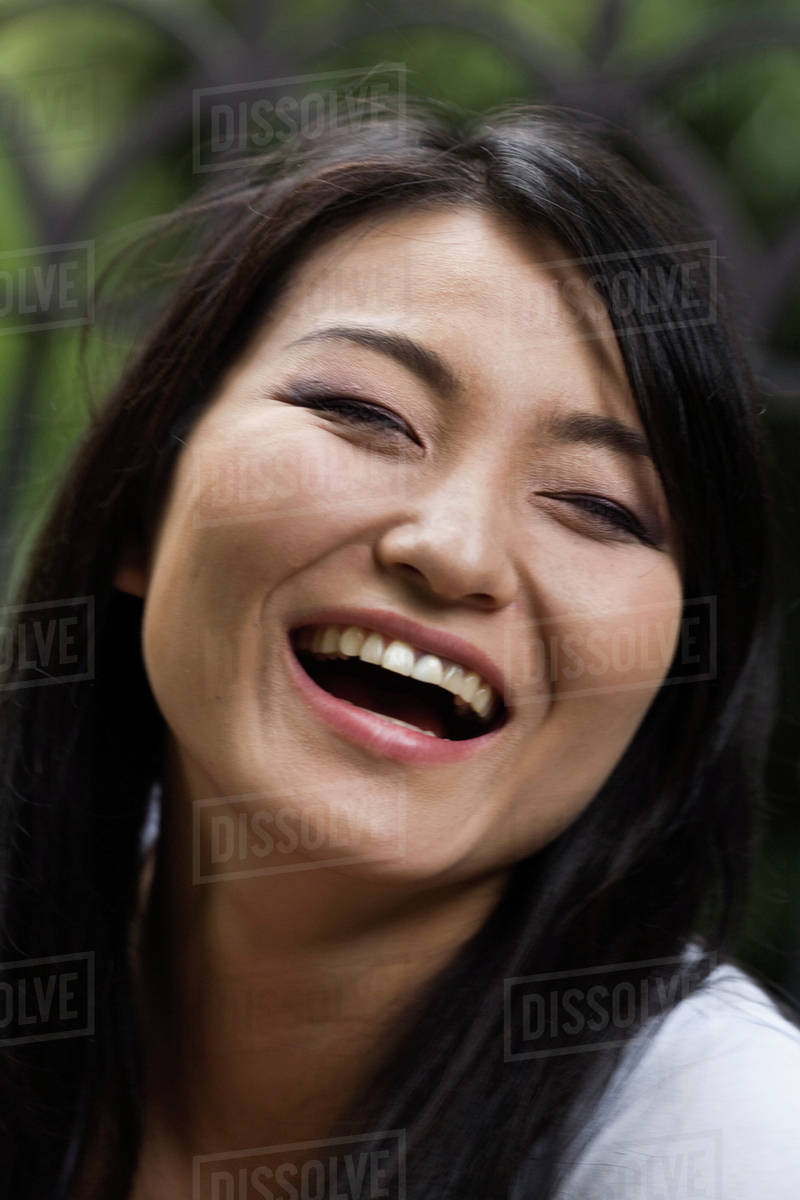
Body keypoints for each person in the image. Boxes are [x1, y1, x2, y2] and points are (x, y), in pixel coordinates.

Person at [1, 97, 798, 1200]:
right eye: (361, 413)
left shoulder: (723, 1146)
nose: (454, 551)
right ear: (144, 504)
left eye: (598, 507)